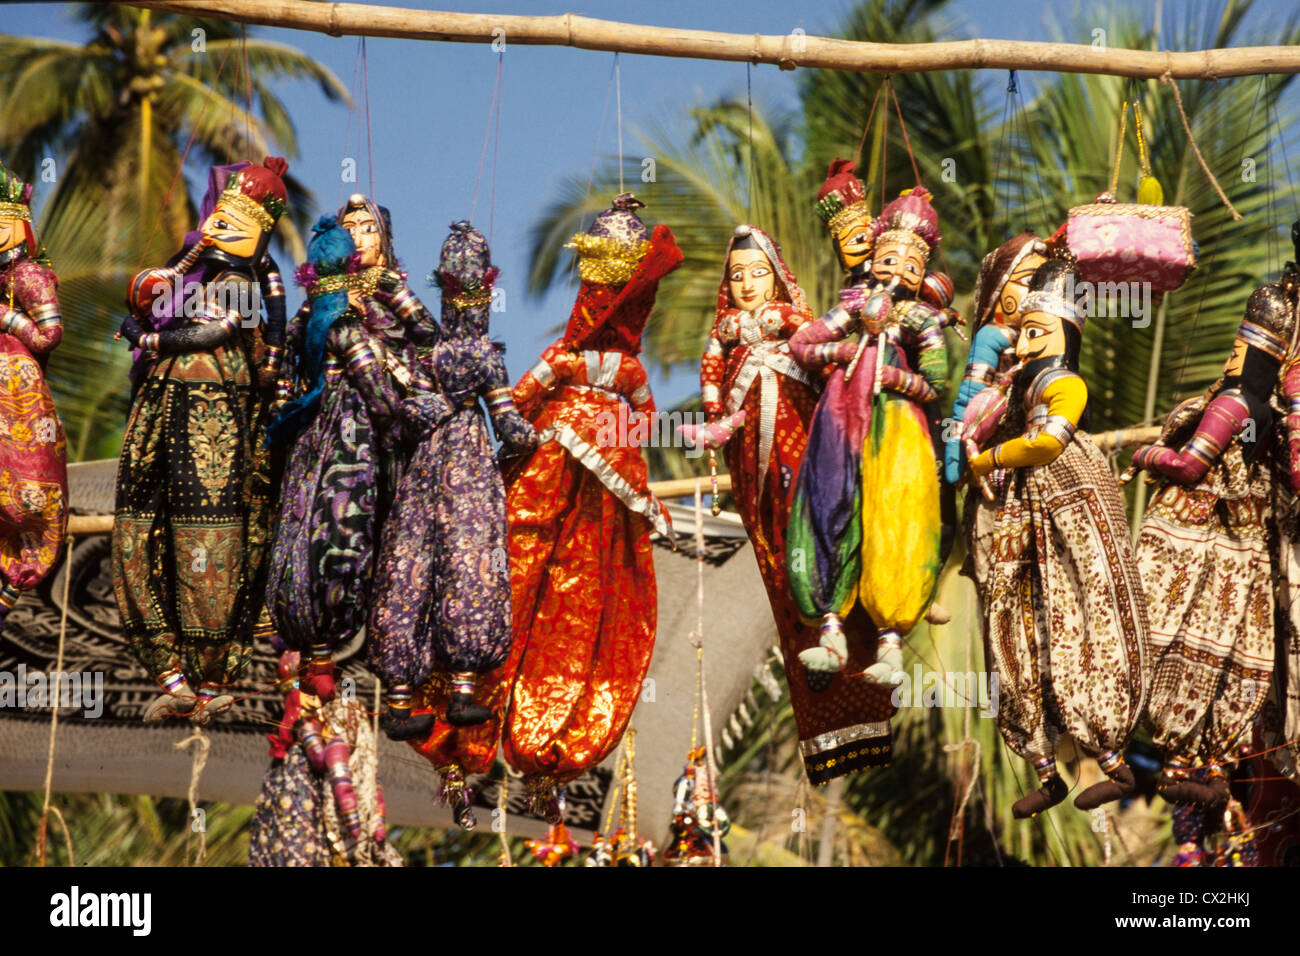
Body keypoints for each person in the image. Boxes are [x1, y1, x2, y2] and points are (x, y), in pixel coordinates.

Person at [501, 193, 679, 821]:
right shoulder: (566, 358)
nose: (609, 306)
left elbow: (649, 426)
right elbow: (514, 409)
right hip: (551, 475)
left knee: (587, 596)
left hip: (606, 493)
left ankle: (550, 734)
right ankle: (488, 706)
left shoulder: (625, 370)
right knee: (525, 573)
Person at [969, 259, 1149, 818]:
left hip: (1071, 492)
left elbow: (1047, 444)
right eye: (1020, 332)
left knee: (1089, 607)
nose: (1021, 344)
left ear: (1066, 336)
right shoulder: (1018, 389)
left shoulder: (1066, 383)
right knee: (1014, 622)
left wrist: (989, 458)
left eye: (1035, 332)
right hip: (1027, 505)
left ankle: (1114, 758)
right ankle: (1045, 767)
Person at [114, 158, 289, 724]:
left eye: (236, 217)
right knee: (143, 529)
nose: (219, 226)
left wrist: (151, 339)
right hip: (172, 407)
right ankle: (179, 677)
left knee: (209, 535)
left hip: (211, 415)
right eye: (220, 214)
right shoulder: (199, 278)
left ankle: (202, 676)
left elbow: (215, 331)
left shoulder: (237, 283)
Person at [1129, 280, 1295, 806]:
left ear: (1243, 348)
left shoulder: (1233, 401)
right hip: (1242, 547)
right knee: (1224, 651)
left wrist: (1143, 458)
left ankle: (1157, 756)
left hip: (1191, 535)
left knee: (1157, 632)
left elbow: (1189, 466)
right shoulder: (1271, 412)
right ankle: (1210, 765)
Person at [788, 186, 949, 690]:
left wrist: (899, 380)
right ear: (873, 259)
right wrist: (840, 353)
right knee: (829, 502)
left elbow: (937, 382)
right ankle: (832, 633)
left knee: (896, 519)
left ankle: (890, 647)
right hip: (840, 417)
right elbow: (802, 344)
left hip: (897, 425)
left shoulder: (921, 318)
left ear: (922, 271)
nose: (898, 268)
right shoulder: (853, 307)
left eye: (910, 261)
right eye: (888, 257)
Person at [0, 161, 67, 630]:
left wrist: (5, 320)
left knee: (26, 493)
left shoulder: (27, 276)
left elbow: (49, 334)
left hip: (18, 393)